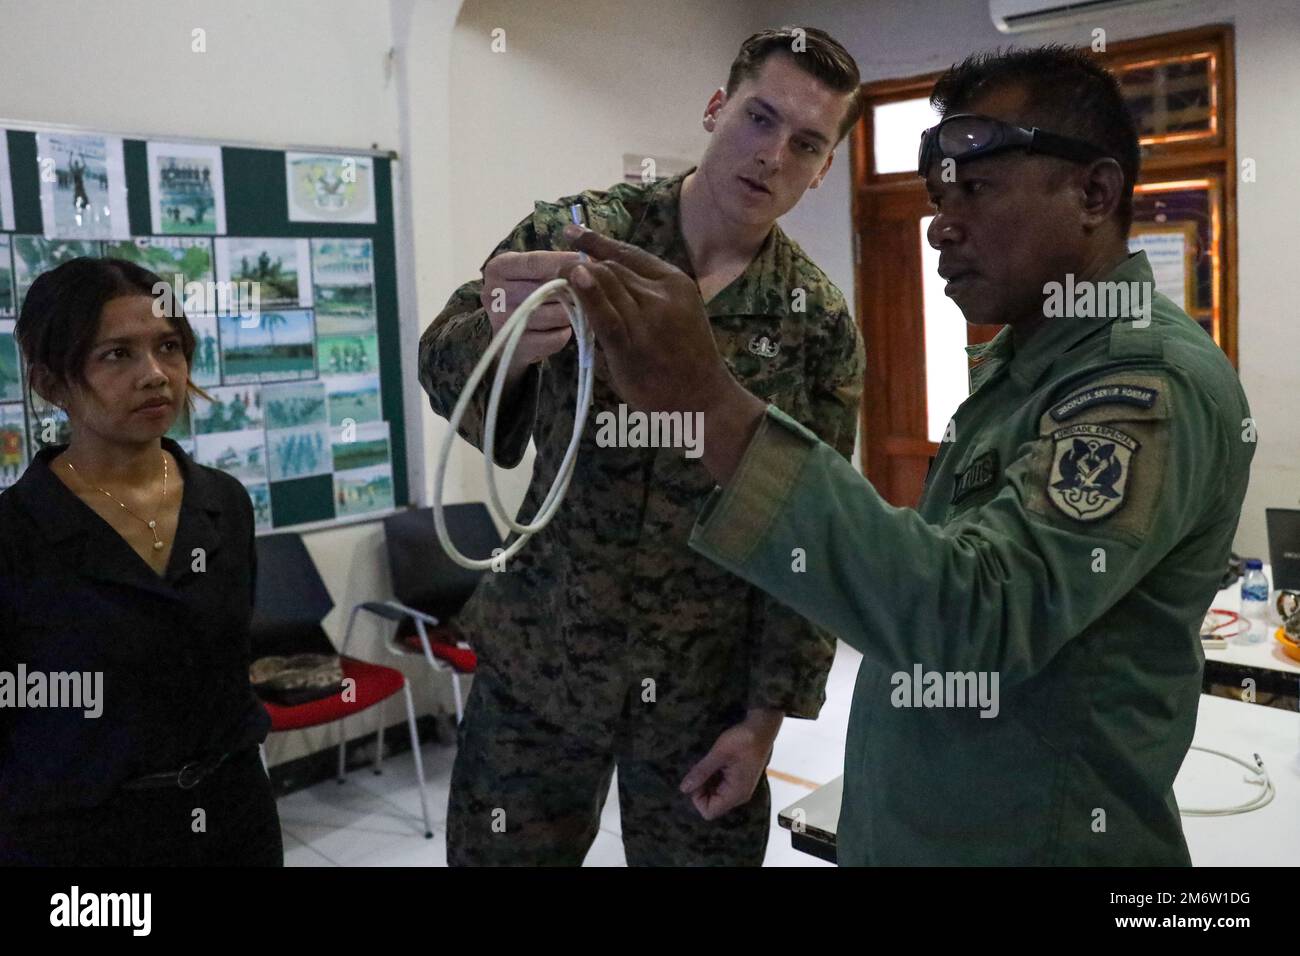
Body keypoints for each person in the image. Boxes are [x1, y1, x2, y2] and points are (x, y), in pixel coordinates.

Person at [556, 45, 1255, 866]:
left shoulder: (1146, 382)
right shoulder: (1031, 366)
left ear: (1094, 193)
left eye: (979, 188)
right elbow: (921, 587)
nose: (939, 221)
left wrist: (709, 406)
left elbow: (974, 614)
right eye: (937, 193)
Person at [419, 26, 866, 865]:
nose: (773, 155)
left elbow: (810, 531)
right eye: (759, 119)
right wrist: (504, 337)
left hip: (702, 693)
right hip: (542, 666)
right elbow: (443, 367)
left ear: (824, 167)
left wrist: (766, 723)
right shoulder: (581, 239)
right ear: (713, 108)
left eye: (806, 142)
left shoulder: (815, 323)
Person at [0, 257, 282, 865]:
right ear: (52, 383)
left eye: (169, 347)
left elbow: (230, 667)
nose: (156, 375)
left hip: (233, 821)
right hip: (84, 842)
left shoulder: (223, 503)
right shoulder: (17, 533)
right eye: (116, 355)